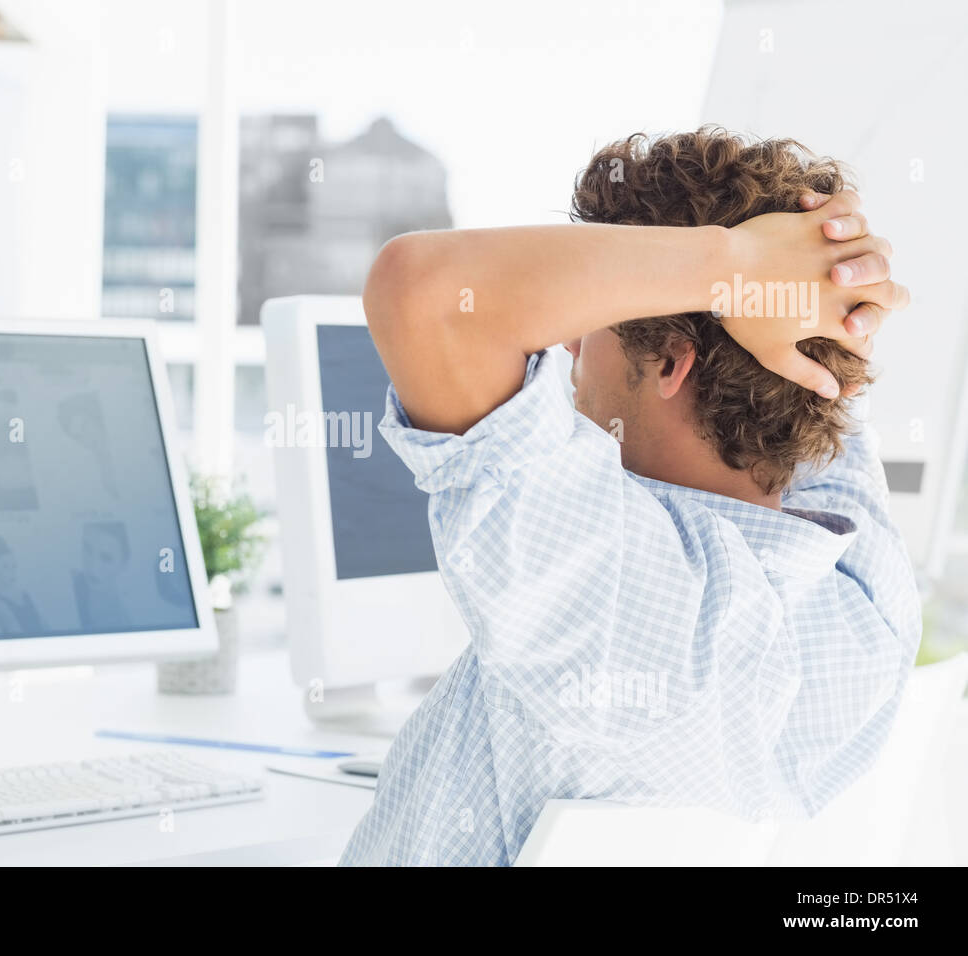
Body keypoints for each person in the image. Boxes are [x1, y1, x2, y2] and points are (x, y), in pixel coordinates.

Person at [340, 128, 920, 866]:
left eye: (587, 330)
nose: (565, 347)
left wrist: (737, 264)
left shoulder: (618, 600)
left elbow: (422, 290)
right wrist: (807, 273)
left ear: (673, 360)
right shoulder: (864, 598)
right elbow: (828, 387)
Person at [0, 534, 43, 635]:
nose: (12, 572)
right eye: (5, 567)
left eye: (13, 566)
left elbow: (43, 622)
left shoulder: (25, 594)